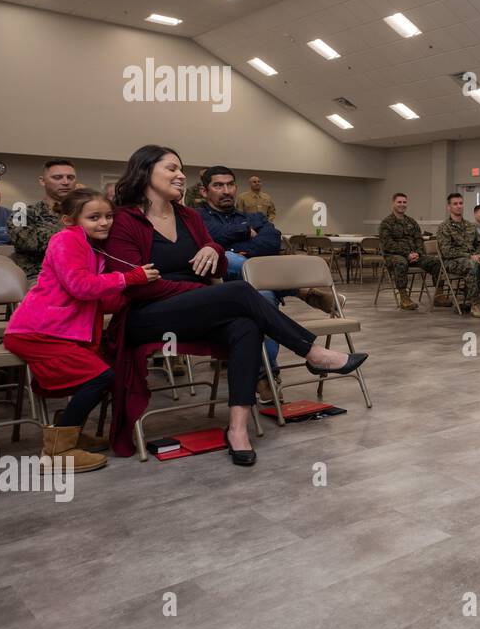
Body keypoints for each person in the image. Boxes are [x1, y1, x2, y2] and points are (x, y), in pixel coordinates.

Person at [102, 145, 366, 464]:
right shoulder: (124, 221)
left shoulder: (187, 217)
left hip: (196, 307)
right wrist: (196, 288)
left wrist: (213, 249)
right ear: (144, 172)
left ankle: (238, 428)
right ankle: (313, 352)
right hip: (147, 315)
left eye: (181, 168)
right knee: (239, 292)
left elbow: (212, 262)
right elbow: (137, 285)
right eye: (171, 168)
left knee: (246, 324)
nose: (180, 174)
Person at [2, 188, 152, 472]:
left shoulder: (94, 247)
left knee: (107, 373)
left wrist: (134, 291)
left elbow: (103, 298)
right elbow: (80, 286)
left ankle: (68, 428)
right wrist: (128, 278)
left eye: (108, 216)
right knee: (100, 376)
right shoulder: (66, 240)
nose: (104, 222)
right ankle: (59, 447)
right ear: (69, 221)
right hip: (36, 332)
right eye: (94, 217)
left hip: (61, 333)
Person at [196, 165, 338, 403]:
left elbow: (272, 243)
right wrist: (244, 237)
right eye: (218, 185)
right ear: (204, 191)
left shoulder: (254, 217)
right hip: (218, 289)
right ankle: (301, 292)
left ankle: (264, 377)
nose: (226, 190)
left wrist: (238, 247)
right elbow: (212, 240)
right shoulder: (197, 217)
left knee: (264, 295)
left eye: (230, 184)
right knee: (227, 259)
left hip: (251, 288)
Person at [9, 159, 76, 280]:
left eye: (70, 177)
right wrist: (77, 236)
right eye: (58, 177)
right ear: (42, 181)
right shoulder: (22, 212)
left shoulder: (82, 213)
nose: (66, 182)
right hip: (40, 277)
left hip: (79, 275)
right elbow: (23, 240)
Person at [435, 192, 480, 318]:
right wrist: (470, 257)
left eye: (461, 203)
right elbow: (447, 252)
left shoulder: (469, 225)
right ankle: (475, 304)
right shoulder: (444, 227)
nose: (459, 206)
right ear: (449, 207)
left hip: (473, 258)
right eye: (455, 204)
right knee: (471, 265)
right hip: (452, 262)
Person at [379, 192, 440, 311]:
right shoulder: (386, 223)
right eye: (399, 202)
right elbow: (388, 244)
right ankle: (404, 297)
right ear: (393, 204)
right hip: (394, 256)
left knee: (436, 262)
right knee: (401, 262)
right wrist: (407, 254)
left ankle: (439, 294)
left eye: (404, 202)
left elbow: (419, 240)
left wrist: (418, 253)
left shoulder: (411, 222)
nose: (402, 204)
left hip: (414, 256)